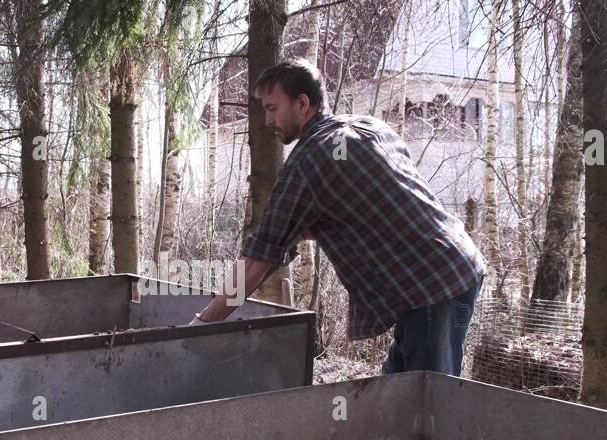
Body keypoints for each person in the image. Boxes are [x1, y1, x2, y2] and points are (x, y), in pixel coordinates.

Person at [191, 58, 487, 376]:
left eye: (273, 108)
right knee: (398, 395)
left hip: (433, 284)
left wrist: (200, 325)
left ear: (303, 103)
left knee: (429, 405)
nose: (267, 120)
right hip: (450, 265)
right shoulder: (371, 127)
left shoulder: (308, 160)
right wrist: (323, 226)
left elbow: (257, 261)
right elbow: (384, 199)